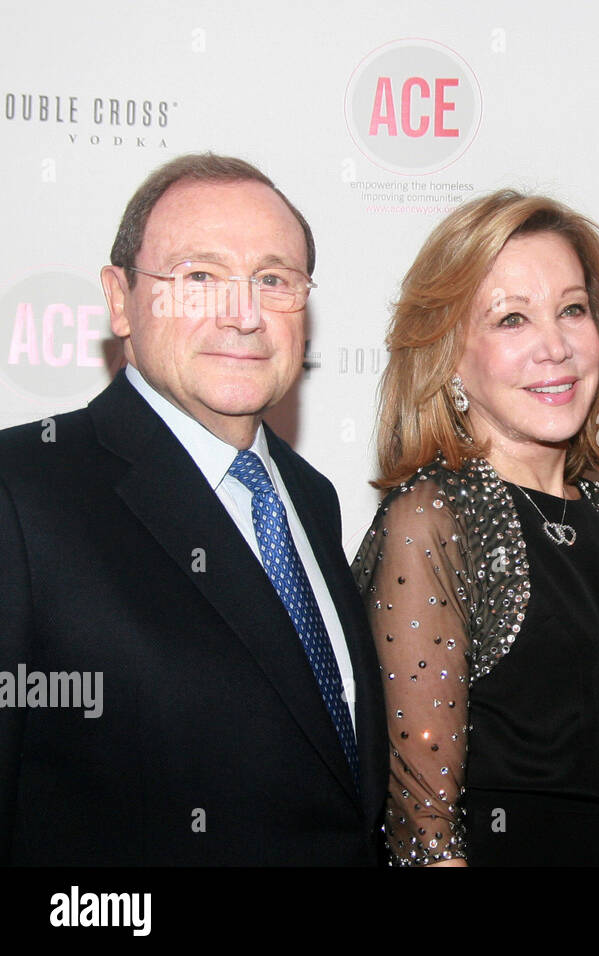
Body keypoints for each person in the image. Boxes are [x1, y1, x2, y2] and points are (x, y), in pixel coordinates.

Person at [0, 153, 387, 865]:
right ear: (119, 300)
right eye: (198, 277)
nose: (243, 315)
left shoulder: (311, 498)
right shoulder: (21, 491)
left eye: (273, 280)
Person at [353, 190, 599, 866]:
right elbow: (424, 830)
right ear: (450, 356)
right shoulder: (435, 516)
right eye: (512, 320)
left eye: (572, 310)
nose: (553, 347)